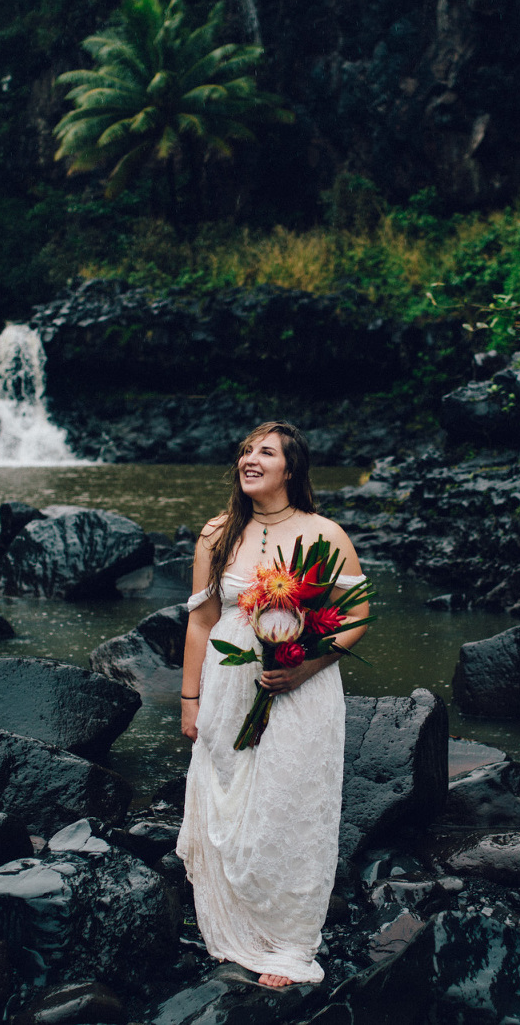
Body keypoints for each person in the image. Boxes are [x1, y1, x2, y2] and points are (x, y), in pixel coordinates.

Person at [175, 420, 369, 987]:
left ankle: (289, 942)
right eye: (245, 451)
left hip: (302, 690)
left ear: (292, 468)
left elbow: (355, 615)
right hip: (229, 686)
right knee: (228, 806)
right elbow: (201, 622)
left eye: (265, 451)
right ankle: (238, 926)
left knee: (289, 804)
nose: (250, 459)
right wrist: (191, 699)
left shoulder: (325, 533)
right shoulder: (216, 533)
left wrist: (308, 664)